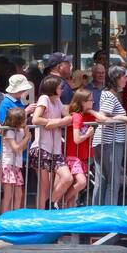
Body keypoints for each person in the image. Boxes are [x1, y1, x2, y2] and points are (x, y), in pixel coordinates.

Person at [95, 66, 127, 206]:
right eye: (124, 77)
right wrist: (125, 119)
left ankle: (100, 212)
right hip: (110, 142)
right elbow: (102, 117)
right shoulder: (109, 95)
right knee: (112, 181)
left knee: (104, 180)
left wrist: (122, 119)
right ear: (116, 79)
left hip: (107, 141)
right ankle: (109, 214)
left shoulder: (110, 94)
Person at [30, 75, 71, 210]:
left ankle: (50, 203)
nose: (62, 90)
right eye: (60, 87)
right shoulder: (44, 99)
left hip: (55, 149)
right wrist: (57, 122)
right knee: (44, 186)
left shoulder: (58, 101)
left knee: (67, 178)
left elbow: (67, 114)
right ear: (53, 88)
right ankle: (41, 215)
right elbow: (35, 119)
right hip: (42, 147)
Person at [0, 106, 29, 214]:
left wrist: (25, 137)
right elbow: (16, 148)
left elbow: (22, 148)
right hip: (8, 164)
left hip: (16, 164)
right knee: (8, 194)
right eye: (24, 119)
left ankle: (15, 216)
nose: (26, 121)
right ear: (17, 121)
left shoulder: (20, 130)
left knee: (19, 193)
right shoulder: (9, 132)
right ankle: (4, 217)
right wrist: (26, 138)